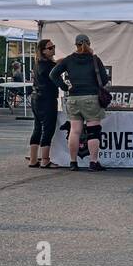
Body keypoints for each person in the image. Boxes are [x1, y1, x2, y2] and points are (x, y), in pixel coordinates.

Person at [49, 33, 110, 172]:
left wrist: (64, 87)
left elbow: (53, 74)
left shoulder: (69, 60)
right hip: (91, 98)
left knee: (75, 132)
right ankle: (93, 163)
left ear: (76, 45)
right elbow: (105, 80)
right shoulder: (94, 60)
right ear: (89, 43)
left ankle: (73, 162)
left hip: (73, 99)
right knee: (94, 131)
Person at [27, 39, 59, 168]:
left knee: (37, 128)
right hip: (47, 99)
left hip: (36, 98)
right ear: (43, 51)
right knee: (48, 128)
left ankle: (33, 159)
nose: (53, 49)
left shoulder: (38, 63)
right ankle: (45, 159)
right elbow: (56, 78)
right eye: (50, 48)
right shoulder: (49, 66)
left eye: (53, 46)